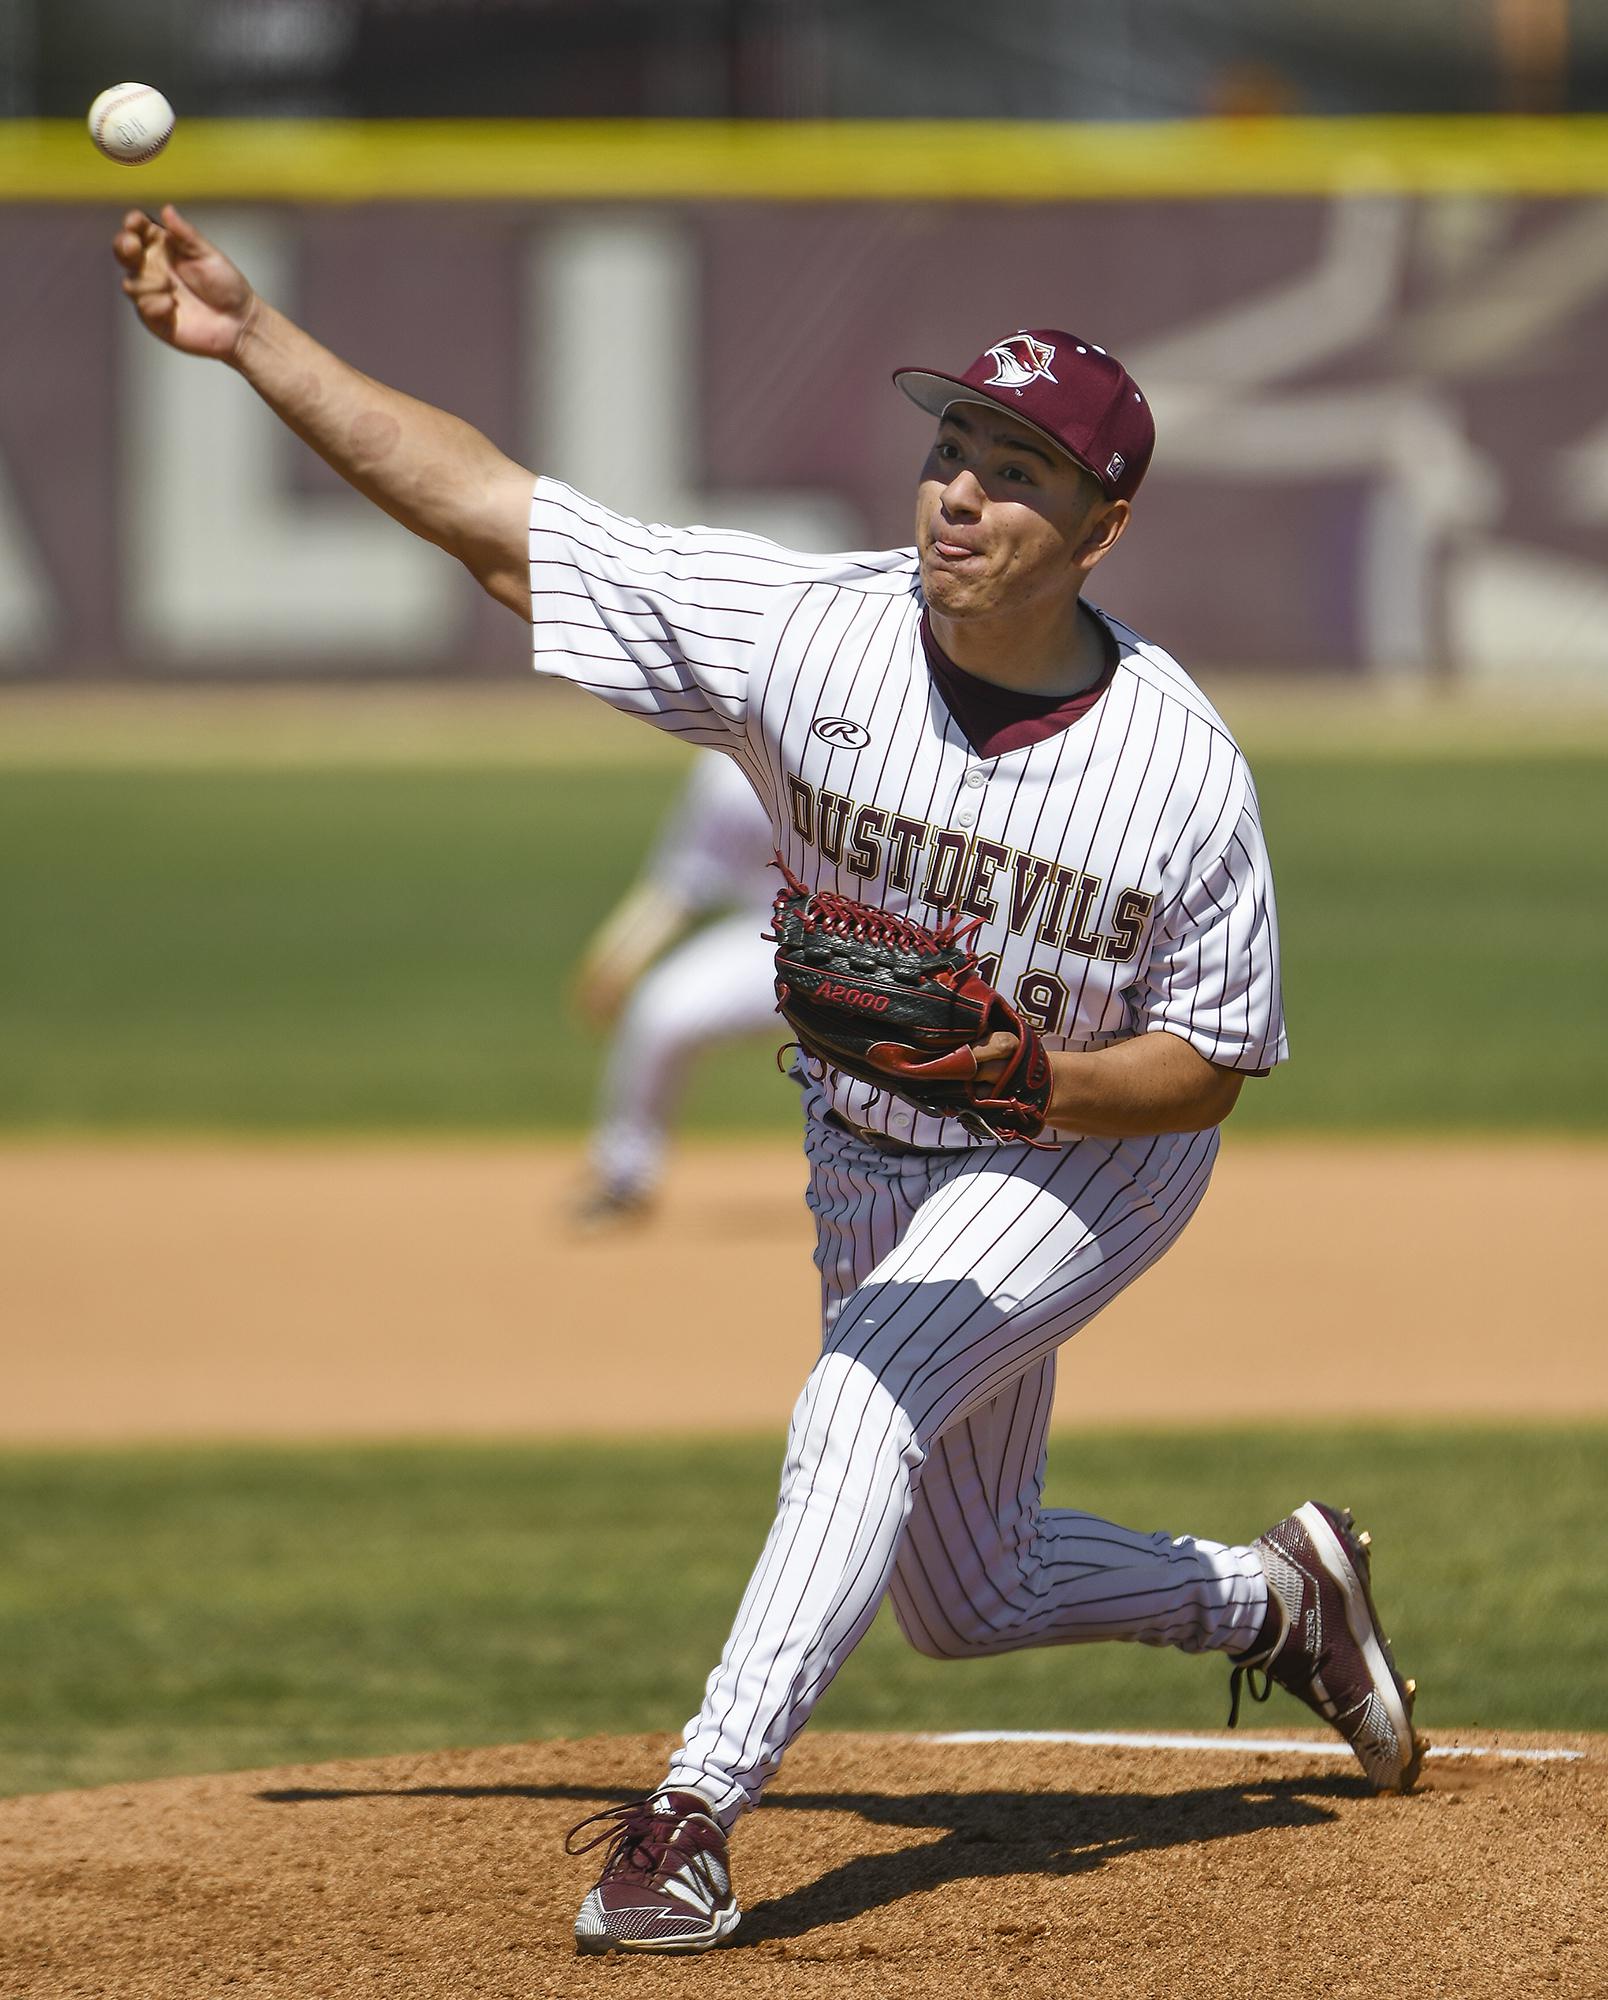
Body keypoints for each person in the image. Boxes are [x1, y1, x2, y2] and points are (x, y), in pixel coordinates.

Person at [113, 208, 1425, 1959]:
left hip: (1081, 1157)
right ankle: (1277, 1597)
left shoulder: (1178, 772)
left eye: (1016, 470)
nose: (960, 491)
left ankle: (687, 1822)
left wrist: (1032, 1079)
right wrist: (253, 336)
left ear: (1102, 528)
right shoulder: (806, 633)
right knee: (964, 1596)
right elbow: (504, 522)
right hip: (873, 1153)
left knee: (855, 1403)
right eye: (952, 449)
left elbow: (1200, 1073)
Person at [570, 749, 781, 1228]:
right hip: (776, 933)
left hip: (894, 936)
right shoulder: (726, 770)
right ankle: (624, 1177)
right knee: (663, 1010)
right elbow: (684, 881)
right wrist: (620, 955)